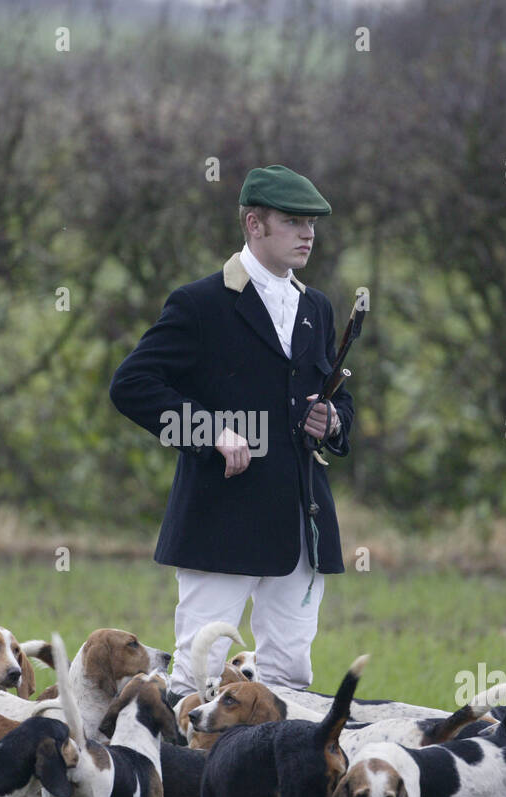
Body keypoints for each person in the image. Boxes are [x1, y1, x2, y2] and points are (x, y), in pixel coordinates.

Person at [110, 165, 353, 697]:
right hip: (219, 521)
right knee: (197, 677)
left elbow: (338, 398)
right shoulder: (199, 304)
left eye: (311, 223)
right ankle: (182, 780)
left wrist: (333, 420)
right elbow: (130, 385)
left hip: (301, 523)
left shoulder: (317, 308)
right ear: (253, 224)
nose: (308, 234)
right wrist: (210, 429)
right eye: (292, 221)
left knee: (290, 680)